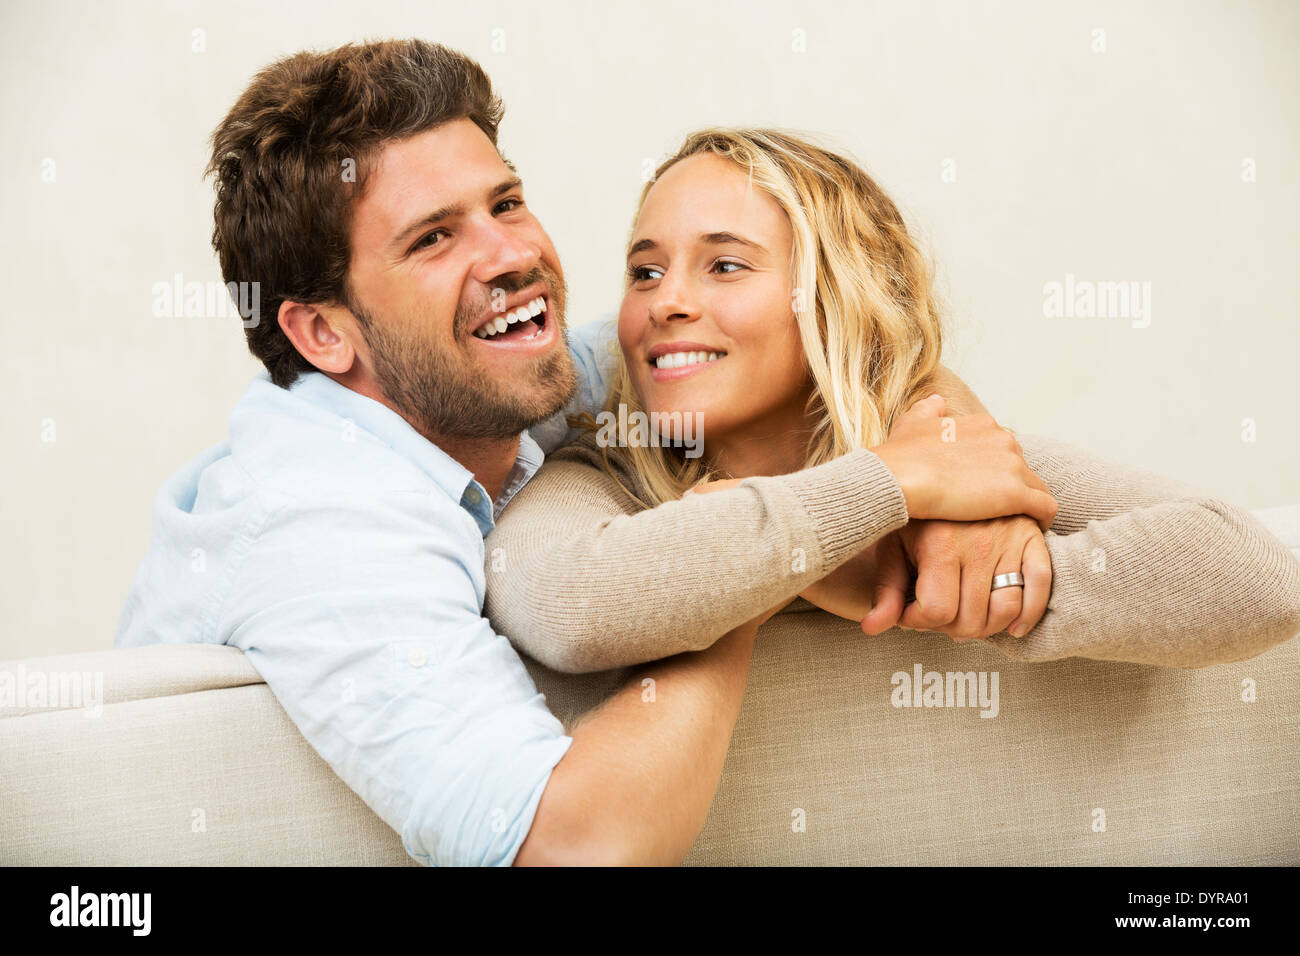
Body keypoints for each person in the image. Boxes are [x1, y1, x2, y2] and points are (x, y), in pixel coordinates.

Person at [113, 40, 1034, 866]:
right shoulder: (321, 527)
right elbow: (571, 852)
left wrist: (952, 462)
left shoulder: (496, 370)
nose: (511, 255)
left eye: (505, 202)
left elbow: (818, 347)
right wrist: (755, 564)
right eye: (433, 238)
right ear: (323, 332)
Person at [484, 127, 1300, 686]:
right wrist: (880, 492)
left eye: (725, 266)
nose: (666, 303)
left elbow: (1264, 580)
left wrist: (981, 581)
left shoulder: (956, 466)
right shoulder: (604, 470)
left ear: (831, 299)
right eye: (645, 271)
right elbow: (563, 606)